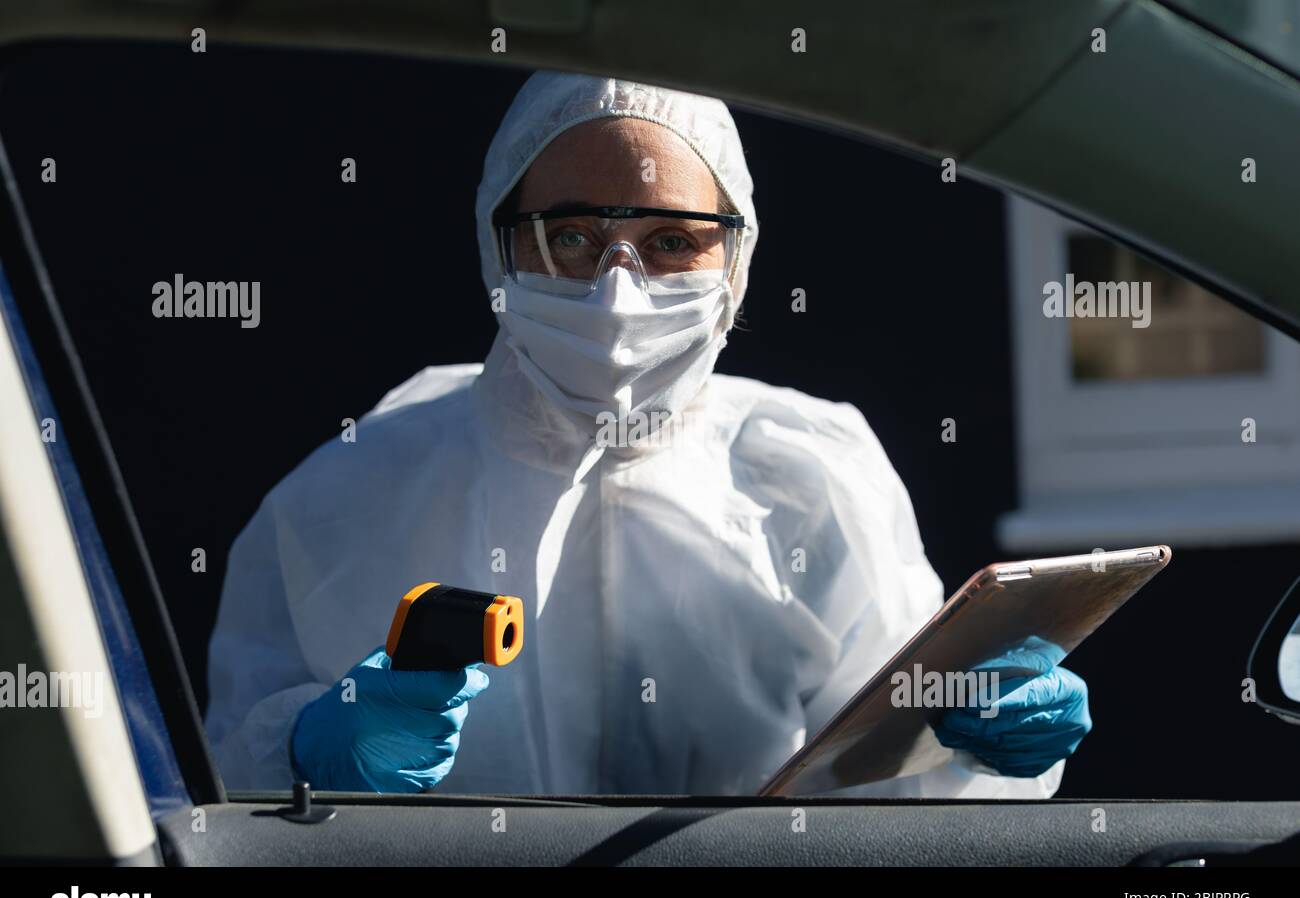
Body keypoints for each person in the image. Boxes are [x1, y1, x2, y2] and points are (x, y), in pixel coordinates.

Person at [204, 72, 1090, 796]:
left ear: (734, 261)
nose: (616, 295)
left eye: (671, 240)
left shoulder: (812, 475)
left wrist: (978, 737)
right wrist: (301, 753)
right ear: (497, 247)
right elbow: (206, 788)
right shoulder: (349, 496)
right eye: (572, 237)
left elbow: (894, 792)